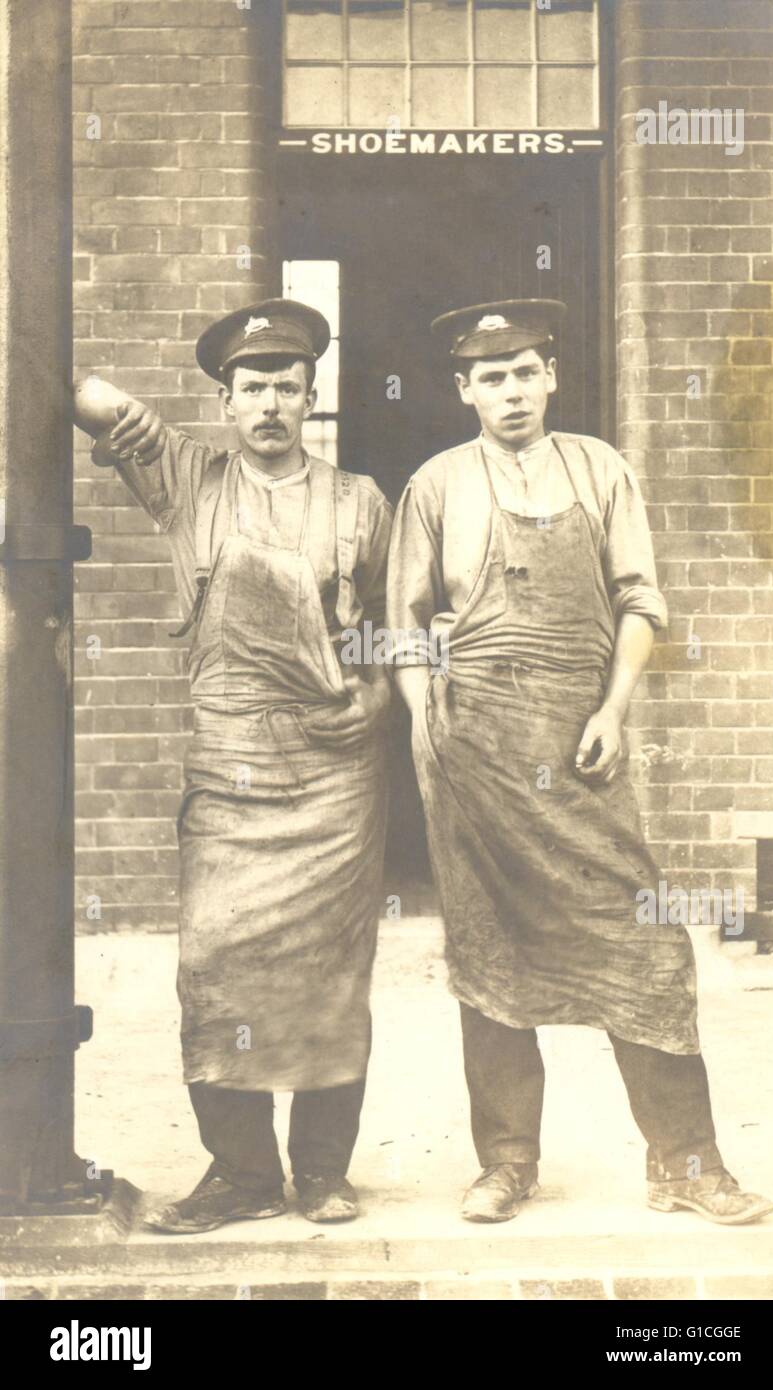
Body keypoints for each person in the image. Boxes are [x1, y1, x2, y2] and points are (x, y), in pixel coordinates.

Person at [386, 298, 773, 1226]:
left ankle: (685, 1161)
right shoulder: (435, 485)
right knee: (489, 949)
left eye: (524, 371)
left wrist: (611, 707)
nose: (510, 390)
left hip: (579, 742)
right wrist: (425, 728)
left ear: (550, 376)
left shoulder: (601, 470)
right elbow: (402, 629)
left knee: (641, 946)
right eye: (490, 376)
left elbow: (642, 602)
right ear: (462, 391)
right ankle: (505, 1164)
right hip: (470, 745)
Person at [74, 300, 392, 1232]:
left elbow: (393, 628)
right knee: (214, 962)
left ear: (310, 397)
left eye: (285, 389)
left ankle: (324, 1172)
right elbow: (82, 395)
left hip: (334, 772)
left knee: (334, 974)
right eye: (250, 389)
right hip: (231, 760)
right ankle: (242, 1174)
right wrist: (123, 407)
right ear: (224, 402)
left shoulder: (360, 501)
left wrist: (374, 693)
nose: (268, 405)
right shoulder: (184, 479)